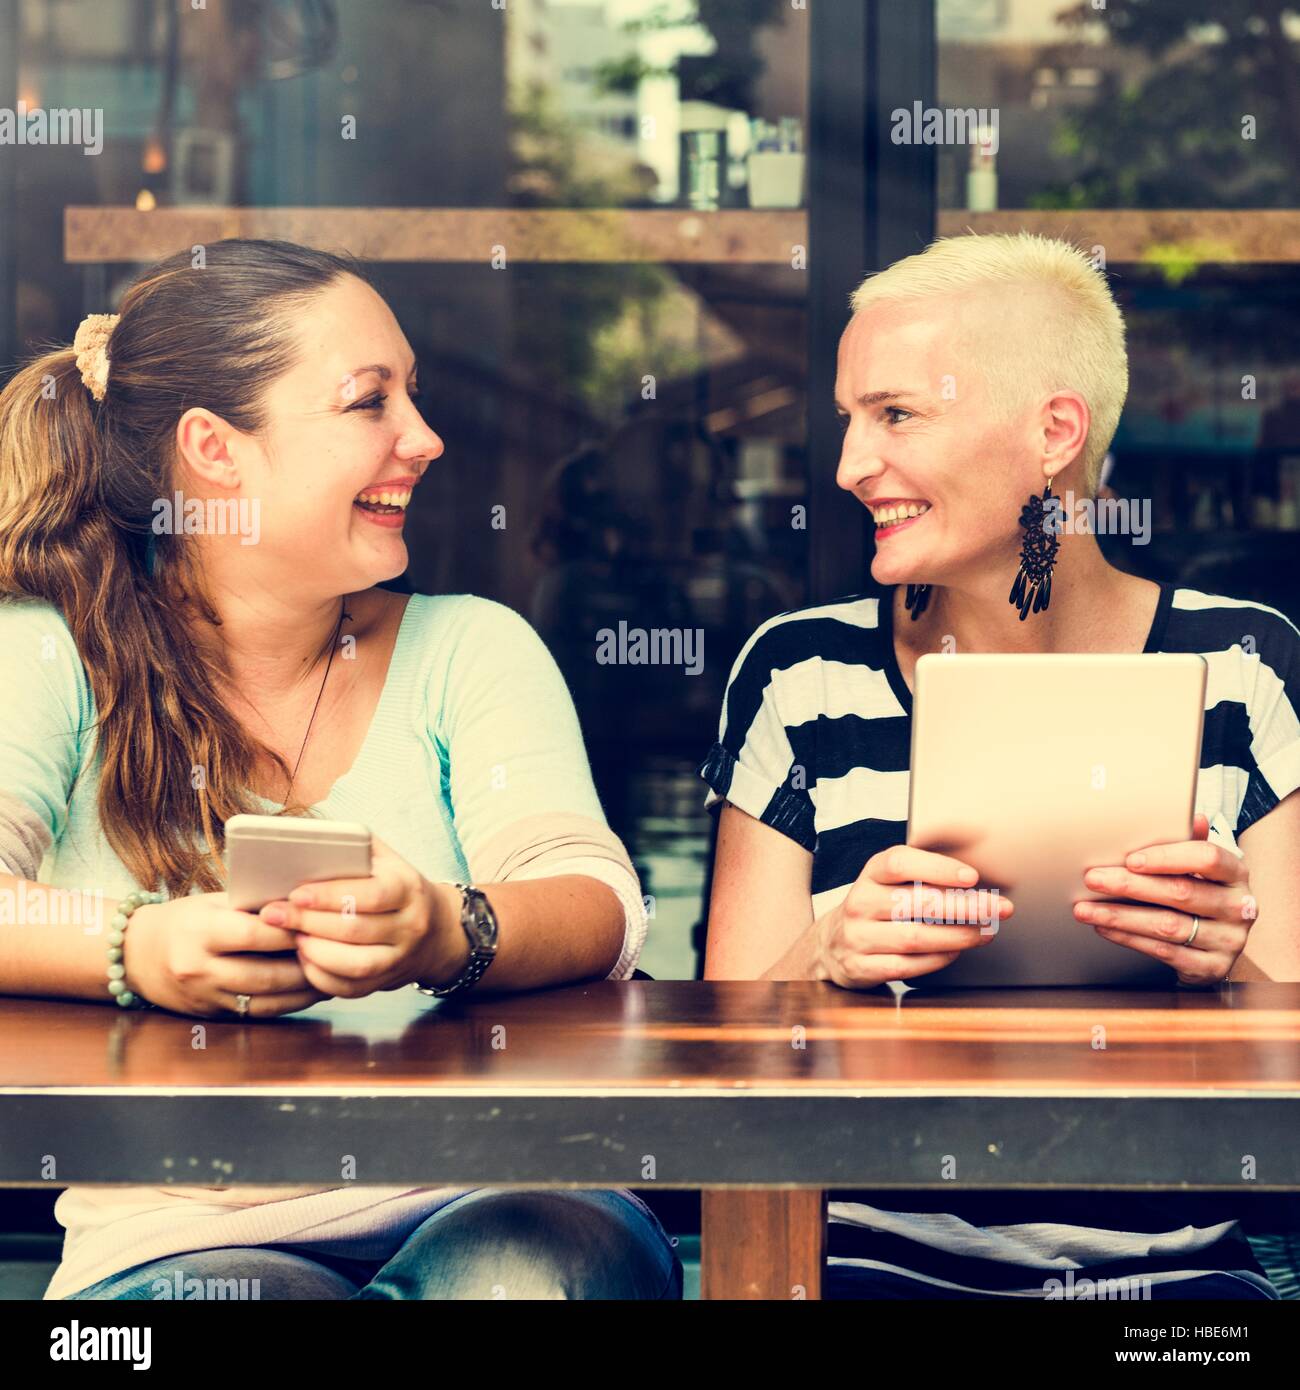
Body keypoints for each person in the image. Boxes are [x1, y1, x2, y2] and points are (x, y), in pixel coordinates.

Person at [0, 239, 681, 1301]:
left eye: (414, 394)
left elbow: (601, 905)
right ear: (213, 452)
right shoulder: (48, 653)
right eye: (371, 402)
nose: (426, 437)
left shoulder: (472, 646)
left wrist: (442, 927)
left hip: (508, 1197)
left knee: (515, 1277)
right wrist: (142, 947)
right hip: (166, 1243)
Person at [700, 231, 1300, 1300]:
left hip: (1174, 1288)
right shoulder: (798, 674)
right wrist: (825, 953)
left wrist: (1232, 971)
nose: (847, 465)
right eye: (847, 418)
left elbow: (1285, 1075)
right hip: (869, 1270)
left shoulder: (1247, 668)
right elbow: (716, 1065)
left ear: (1052, 434)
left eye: (895, 415)